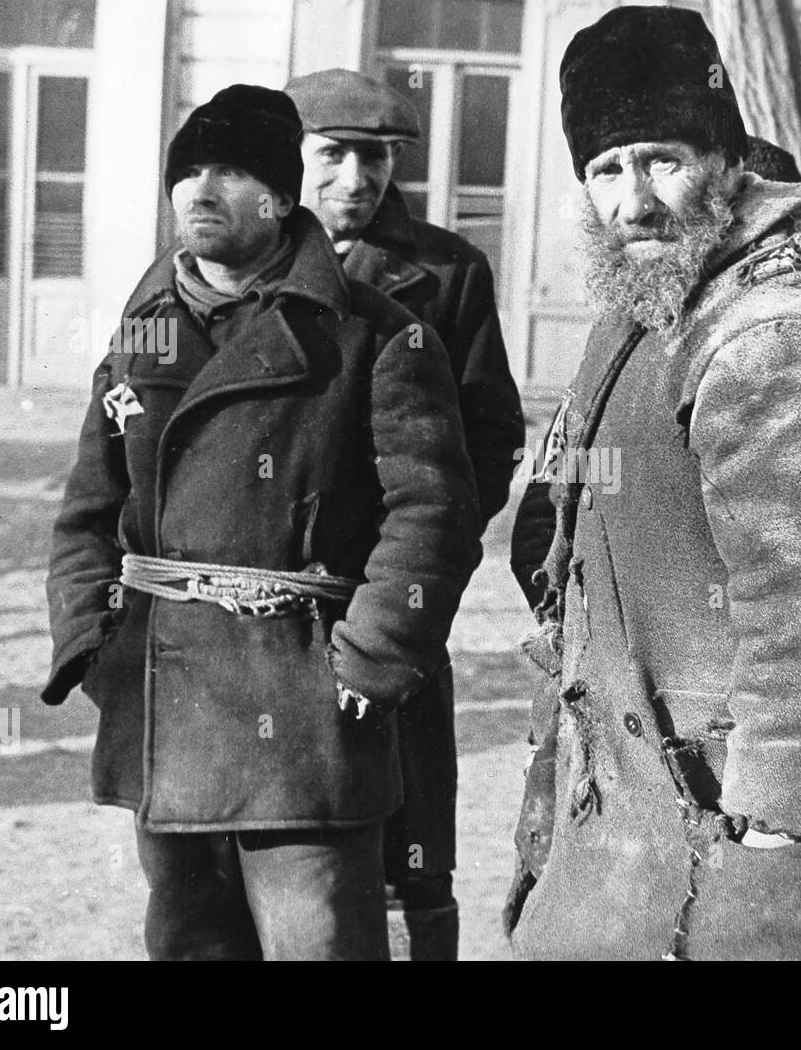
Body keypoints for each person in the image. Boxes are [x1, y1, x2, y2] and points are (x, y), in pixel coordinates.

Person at [503, 5, 801, 961]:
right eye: (605, 169)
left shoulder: (774, 332)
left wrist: (768, 854)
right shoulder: (657, 304)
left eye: (662, 158)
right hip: (640, 815)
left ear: (724, 158)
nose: (634, 201)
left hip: (748, 846)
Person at [42, 84, 482, 961]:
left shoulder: (371, 337)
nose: (200, 192)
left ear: (281, 197)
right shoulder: (143, 338)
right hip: (169, 706)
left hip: (305, 710)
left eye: (230, 172)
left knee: (316, 943)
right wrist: (94, 644)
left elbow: (434, 511)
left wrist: (372, 656)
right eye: (187, 172)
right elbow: (88, 509)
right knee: (191, 944)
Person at [284, 67, 524, 961]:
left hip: (386, 594)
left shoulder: (446, 272)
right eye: (334, 154)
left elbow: (490, 429)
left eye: (377, 157)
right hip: (261, 607)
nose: (358, 178)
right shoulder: (234, 270)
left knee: (408, 830)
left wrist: (422, 545)